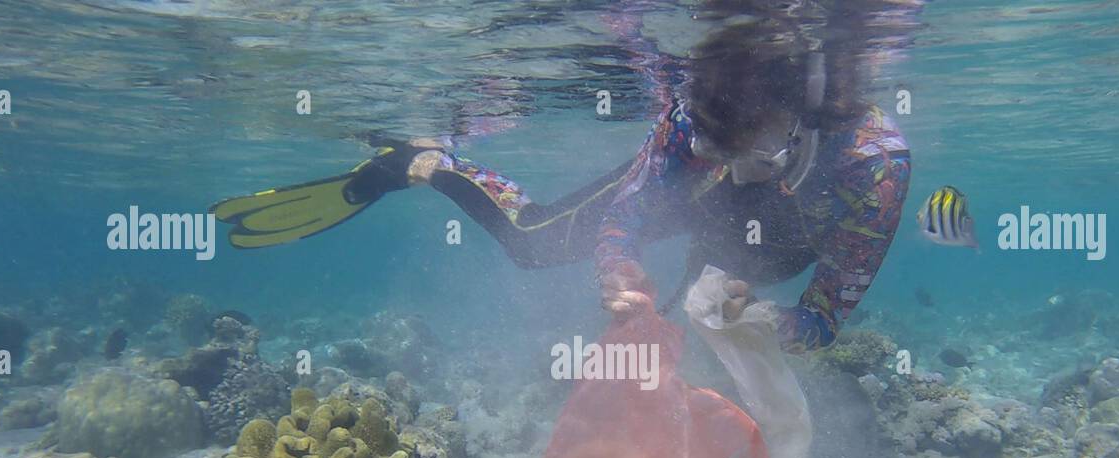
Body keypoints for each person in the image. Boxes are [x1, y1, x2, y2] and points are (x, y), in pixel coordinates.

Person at [211, 17, 912, 353]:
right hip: (708, 215)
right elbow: (629, 215)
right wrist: (616, 268)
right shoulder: (691, 124)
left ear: (799, 119)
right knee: (533, 243)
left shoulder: (871, 167)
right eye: (709, 148)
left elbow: (823, 315)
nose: (729, 168)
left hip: (781, 245)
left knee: (729, 288)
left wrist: (761, 322)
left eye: (750, 152)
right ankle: (428, 161)